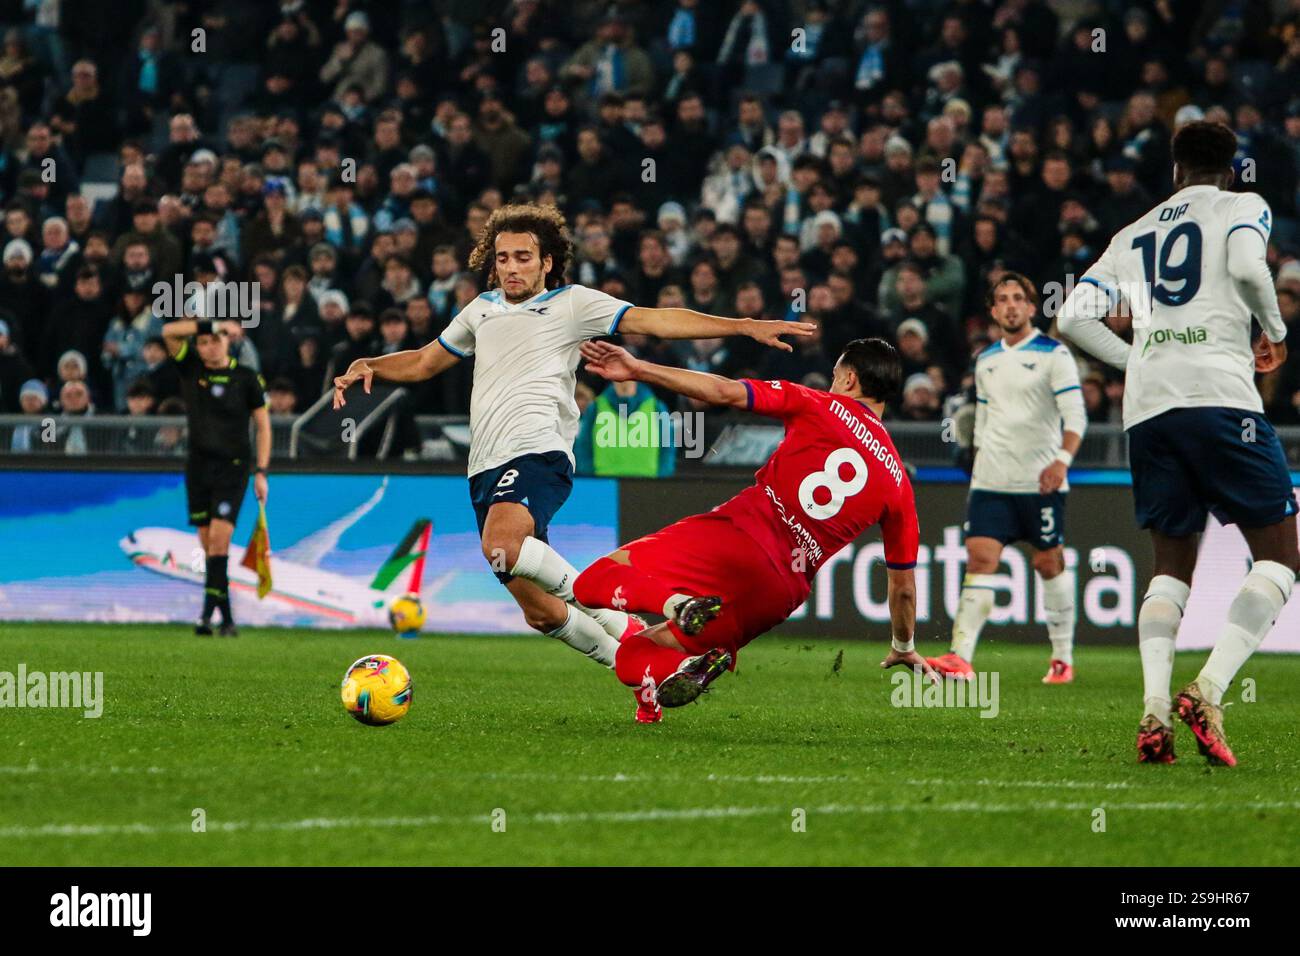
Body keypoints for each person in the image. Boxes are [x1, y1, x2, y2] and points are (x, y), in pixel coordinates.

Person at [333, 203, 813, 668]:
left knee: (503, 544)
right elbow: (423, 361)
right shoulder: (481, 310)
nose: (511, 268)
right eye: (502, 258)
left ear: (547, 262)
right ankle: (639, 658)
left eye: (523, 257)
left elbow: (656, 318)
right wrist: (372, 364)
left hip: (538, 452)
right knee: (540, 612)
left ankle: (665, 604)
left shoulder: (572, 304)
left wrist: (742, 325)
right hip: (484, 468)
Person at [1059, 121, 1299, 766]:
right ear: (1231, 170)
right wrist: (1273, 330)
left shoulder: (1133, 233)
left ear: (1173, 171)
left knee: (1170, 567)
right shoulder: (1243, 206)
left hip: (1151, 411)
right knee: (1280, 557)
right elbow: (1249, 267)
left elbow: (1069, 317)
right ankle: (1211, 688)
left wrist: (1135, 359)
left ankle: (1154, 711)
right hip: (1220, 398)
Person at [572, 338, 932, 723]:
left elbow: (724, 391)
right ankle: (688, 667)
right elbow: (904, 587)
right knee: (634, 654)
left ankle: (675, 604)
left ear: (848, 378)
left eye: (834, 376)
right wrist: (903, 645)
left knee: (591, 583)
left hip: (740, 535)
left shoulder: (816, 403)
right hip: (781, 591)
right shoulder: (898, 483)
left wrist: (640, 369)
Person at [927, 273, 1086, 684]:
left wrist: (1062, 461)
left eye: (1019, 298)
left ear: (1032, 308)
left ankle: (1062, 658)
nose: (1011, 305)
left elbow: (1076, 417)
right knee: (980, 559)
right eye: (1003, 299)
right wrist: (976, 459)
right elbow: (982, 420)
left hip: (1041, 482)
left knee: (1048, 563)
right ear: (993, 311)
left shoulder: (1056, 355)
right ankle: (960, 656)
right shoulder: (986, 360)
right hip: (991, 482)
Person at [161, 318, 272, 637]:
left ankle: (206, 615)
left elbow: (263, 426)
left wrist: (261, 471)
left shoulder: (246, 378)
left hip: (233, 468)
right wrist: (211, 323)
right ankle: (226, 619)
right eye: (203, 342)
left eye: (214, 340)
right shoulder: (192, 370)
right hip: (197, 467)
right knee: (208, 545)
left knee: (220, 541)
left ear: (228, 341)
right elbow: (168, 331)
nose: (208, 347)